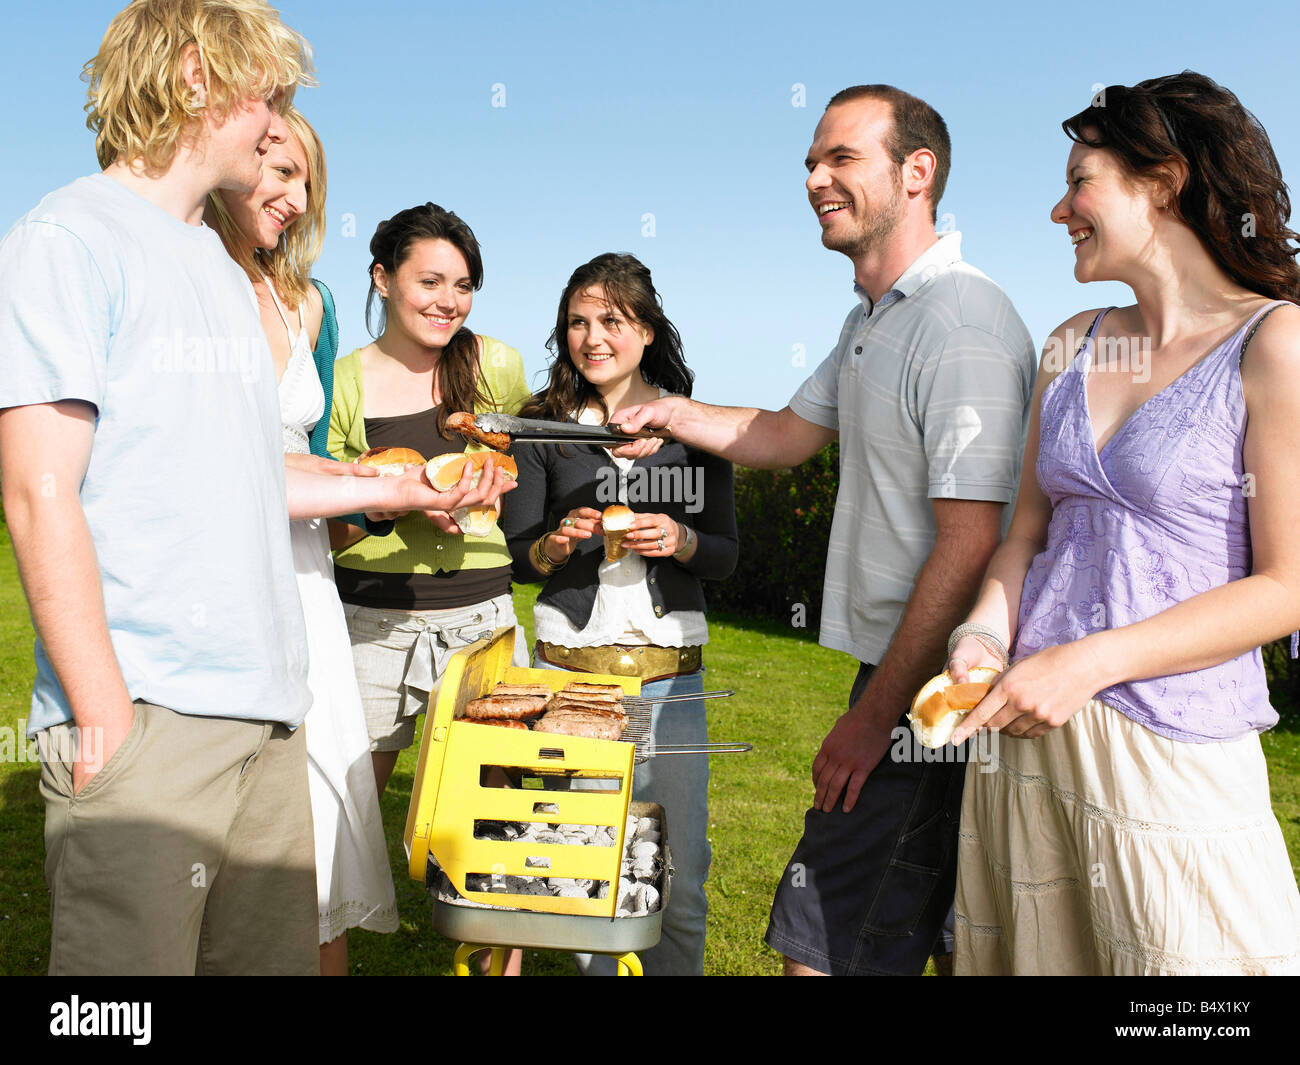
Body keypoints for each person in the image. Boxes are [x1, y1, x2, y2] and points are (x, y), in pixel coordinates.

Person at [612, 85, 1036, 976]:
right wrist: (670, 410)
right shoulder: (872, 320)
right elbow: (785, 435)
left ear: (917, 172)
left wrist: (874, 718)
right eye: (812, 160)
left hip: (927, 694)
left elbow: (971, 543)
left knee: (825, 941)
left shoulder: (962, 324)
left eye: (842, 158)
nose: (814, 178)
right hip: (896, 678)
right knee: (903, 934)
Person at [945, 72, 1300, 975]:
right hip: (1027, 740)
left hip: (1169, 758)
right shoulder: (1072, 341)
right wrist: (986, 632)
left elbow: (1286, 588)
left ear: (1166, 181)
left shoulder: (1273, 343)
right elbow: (1026, 535)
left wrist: (1090, 662)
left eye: (1080, 180)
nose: (1060, 207)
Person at [500, 252, 738, 976]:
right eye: (577, 321)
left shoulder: (695, 428)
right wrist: (556, 543)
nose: (591, 335)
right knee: (586, 865)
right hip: (572, 676)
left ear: (646, 330)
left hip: (671, 681)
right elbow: (517, 555)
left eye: (611, 319)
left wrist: (681, 538)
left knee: (680, 870)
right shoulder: (543, 427)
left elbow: (725, 554)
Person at [207, 106, 399, 976]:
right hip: (215, 574)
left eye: (306, 182)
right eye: (278, 170)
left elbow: (317, 464)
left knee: (316, 825)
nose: (292, 196)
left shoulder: (310, 303)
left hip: (306, 581)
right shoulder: (190, 277)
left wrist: (393, 494)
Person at [328, 203, 532, 801]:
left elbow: (529, 457)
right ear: (382, 278)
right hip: (373, 620)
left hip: (482, 618)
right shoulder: (339, 381)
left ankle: (470, 901)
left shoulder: (495, 364)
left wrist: (499, 479)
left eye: (464, 286)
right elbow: (324, 528)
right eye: (430, 282)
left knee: (491, 808)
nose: (449, 301)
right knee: (350, 809)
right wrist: (389, 505)